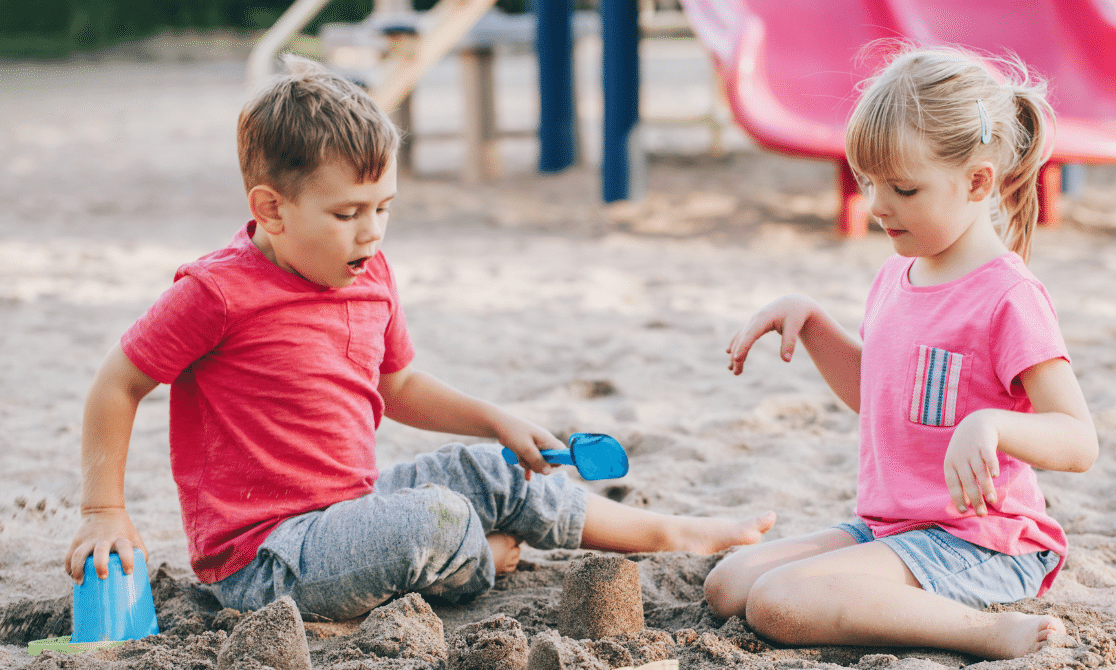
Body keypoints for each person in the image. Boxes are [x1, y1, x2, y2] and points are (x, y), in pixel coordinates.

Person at [63, 55, 775, 621]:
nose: (370, 232)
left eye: (383, 208)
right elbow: (117, 383)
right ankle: (486, 557)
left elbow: (395, 384)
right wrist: (104, 511)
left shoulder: (369, 273)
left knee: (494, 470)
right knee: (435, 518)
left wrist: (497, 419)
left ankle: (671, 532)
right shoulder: (217, 293)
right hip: (268, 556)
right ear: (271, 211)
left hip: (353, 507)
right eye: (346, 213)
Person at [704, 46, 1098, 661]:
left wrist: (990, 423)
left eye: (903, 188)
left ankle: (987, 634)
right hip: (893, 526)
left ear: (977, 182)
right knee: (729, 585)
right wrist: (812, 323)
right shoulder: (898, 275)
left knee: (778, 603)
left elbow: (1079, 441)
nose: (878, 205)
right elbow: (882, 394)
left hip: (984, 542)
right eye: (868, 183)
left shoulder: (1008, 296)